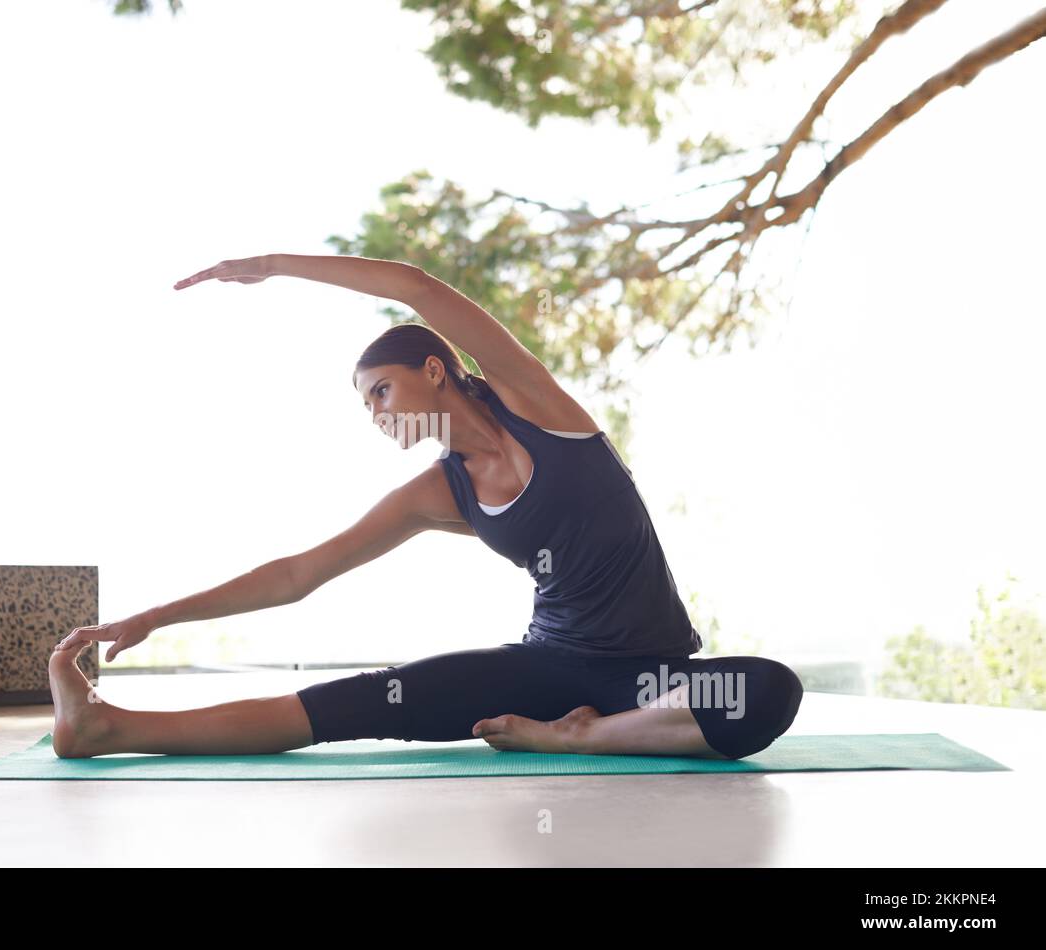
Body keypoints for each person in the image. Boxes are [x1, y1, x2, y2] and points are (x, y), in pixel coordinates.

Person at [46, 254, 803, 760]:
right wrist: (153, 618)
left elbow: (417, 286)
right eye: (364, 404)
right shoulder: (441, 492)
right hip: (542, 668)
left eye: (380, 390)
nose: (375, 411)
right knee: (365, 699)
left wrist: (273, 266)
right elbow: (297, 574)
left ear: (434, 369)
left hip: (653, 680)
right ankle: (106, 725)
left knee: (768, 691)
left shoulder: (537, 406)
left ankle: (579, 739)